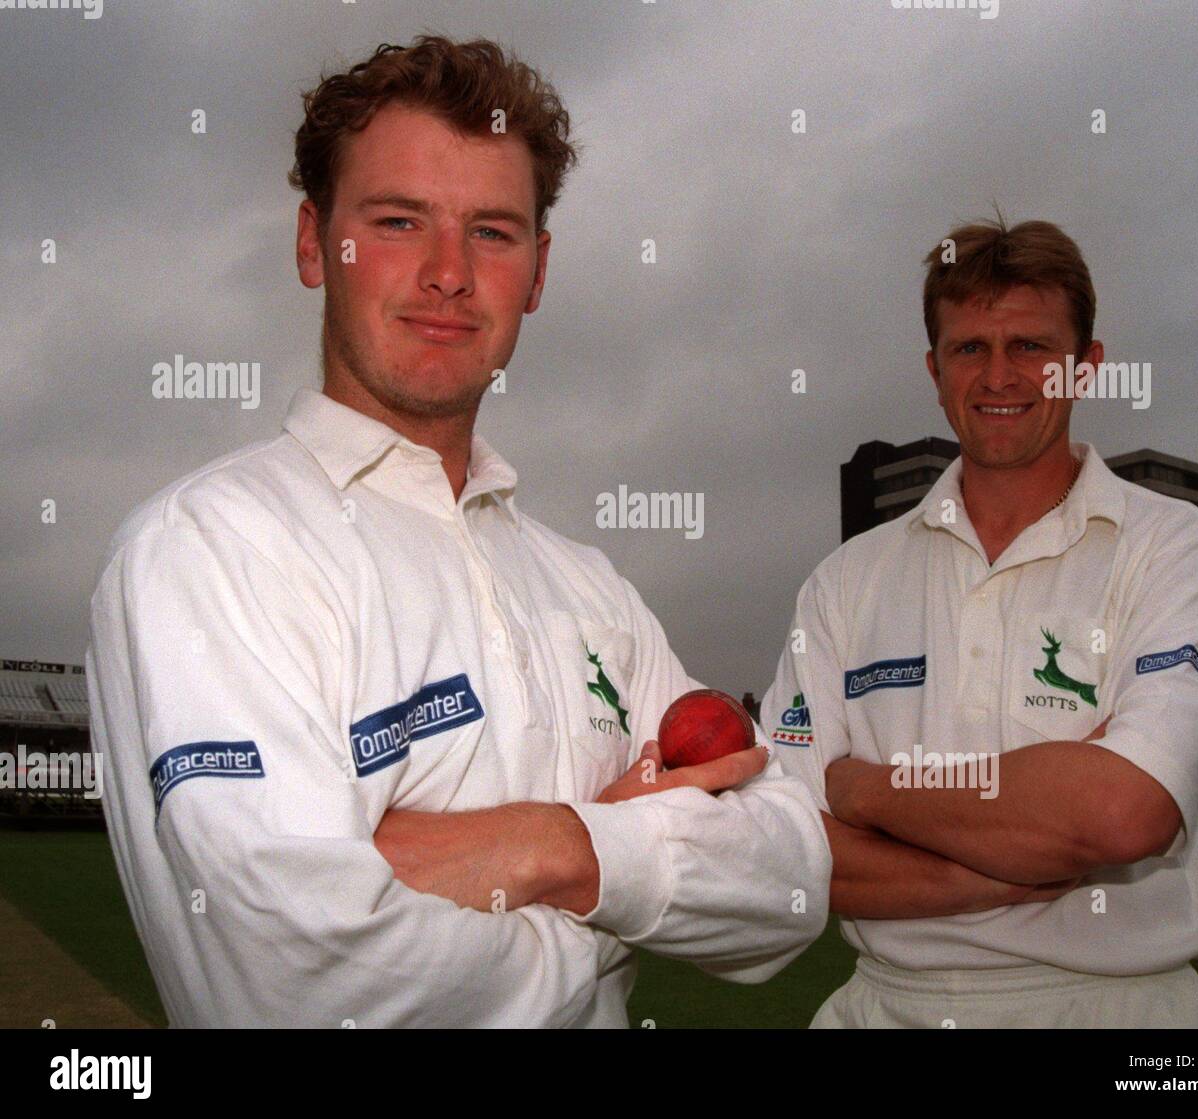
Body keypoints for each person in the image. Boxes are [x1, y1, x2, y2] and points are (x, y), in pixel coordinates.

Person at [87, 34, 829, 1028]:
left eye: (491, 232)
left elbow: (789, 884)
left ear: (537, 270)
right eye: (399, 220)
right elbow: (297, 980)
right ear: (314, 243)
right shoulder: (207, 550)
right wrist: (617, 901)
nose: (448, 273)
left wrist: (551, 848)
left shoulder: (587, 588)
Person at [761, 217, 1198, 1028]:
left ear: (1085, 368)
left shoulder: (1175, 548)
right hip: (887, 1003)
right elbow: (789, 856)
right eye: (969, 348)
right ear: (934, 370)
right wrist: (1011, 864)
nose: (999, 375)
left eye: (1031, 347)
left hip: (1117, 1010)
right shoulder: (845, 582)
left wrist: (864, 787)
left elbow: (1126, 812)